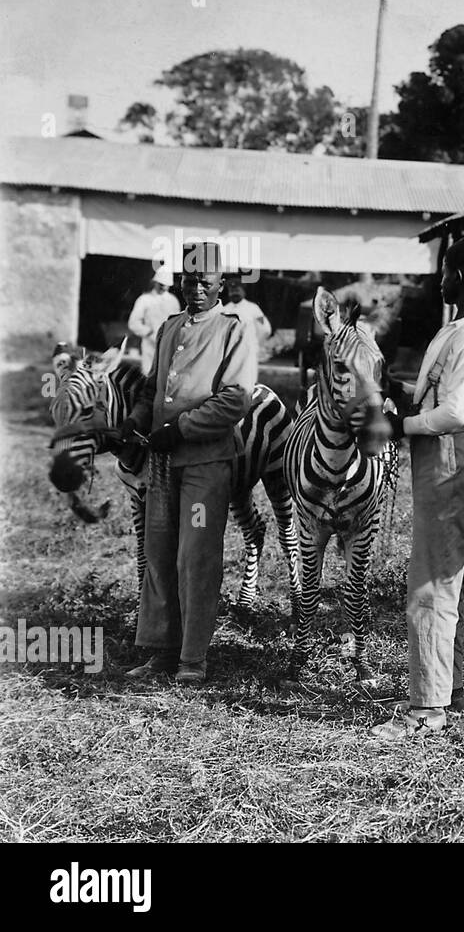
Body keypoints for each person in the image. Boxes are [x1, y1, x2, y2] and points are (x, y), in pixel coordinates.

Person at [371, 233, 464, 739]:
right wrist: (396, 390)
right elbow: (438, 396)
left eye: (445, 270)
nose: (439, 279)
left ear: (461, 277)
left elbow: (455, 412)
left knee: (430, 581)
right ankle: (451, 687)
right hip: (441, 453)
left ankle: (426, 709)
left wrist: (399, 426)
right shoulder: (462, 328)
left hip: (447, 453)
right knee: (447, 577)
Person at [120, 242, 257, 685]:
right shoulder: (169, 327)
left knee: (195, 556)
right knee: (159, 552)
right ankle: (160, 649)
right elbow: (151, 387)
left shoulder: (233, 330)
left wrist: (178, 429)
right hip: (161, 465)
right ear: (179, 280)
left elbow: (234, 400)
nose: (196, 288)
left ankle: (193, 658)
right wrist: (137, 421)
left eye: (206, 281)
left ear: (221, 284)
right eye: (190, 280)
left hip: (205, 463)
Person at [127, 266, 182, 374]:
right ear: (155, 282)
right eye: (161, 284)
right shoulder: (144, 300)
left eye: (166, 285)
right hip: (150, 345)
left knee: (166, 375)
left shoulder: (173, 301)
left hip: (168, 344)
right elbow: (133, 322)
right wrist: (147, 331)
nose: (164, 287)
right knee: (148, 374)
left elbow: (178, 321)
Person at [221, 277, 273, 351]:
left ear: (243, 292)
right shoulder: (224, 309)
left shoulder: (253, 308)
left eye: (237, 291)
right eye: (232, 291)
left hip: (248, 349)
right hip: (229, 351)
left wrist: (255, 344)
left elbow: (265, 329)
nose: (234, 293)